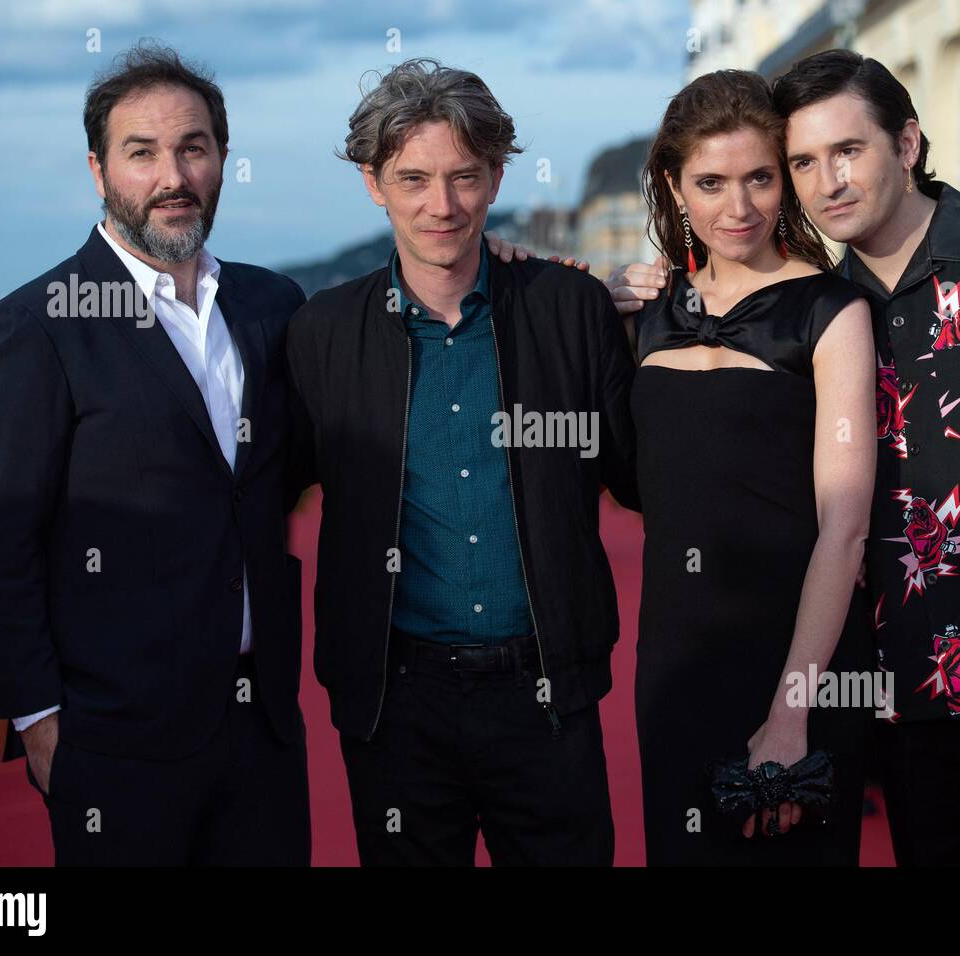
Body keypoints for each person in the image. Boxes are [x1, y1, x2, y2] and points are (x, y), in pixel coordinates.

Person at [611, 49, 960, 867]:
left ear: (907, 144)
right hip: (914, 689)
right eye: (802, 161)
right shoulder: (821, 305)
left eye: (848, 150)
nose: (827, 180)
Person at [0, 43, 311, 865]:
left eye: (193, 147)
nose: (172, 175)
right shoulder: (34, 326)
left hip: (259, 722)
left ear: (223, 158)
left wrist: (521, 285)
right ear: (98, 170)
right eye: (142, 152)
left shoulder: (272, 304)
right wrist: (38, 721)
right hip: (111, 739)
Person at [286, 58, 640, 866]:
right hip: (395, 703)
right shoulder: (321, 334)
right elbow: (260, 496)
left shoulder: (570, 308)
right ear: (374, 183)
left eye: (463, 177)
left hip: (548, 695)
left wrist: (671, 329)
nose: (440, 205)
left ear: (496, 177)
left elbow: (640, 478)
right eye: (413, 179)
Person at [625, 70, 876, 865]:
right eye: (710, 182)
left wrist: (793, 709)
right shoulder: (644, 313)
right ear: (673, 184)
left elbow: (846, 526)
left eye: (760, 178)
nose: (739, 208)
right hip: (671, 670)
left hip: (797, 663)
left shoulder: (832, 312)